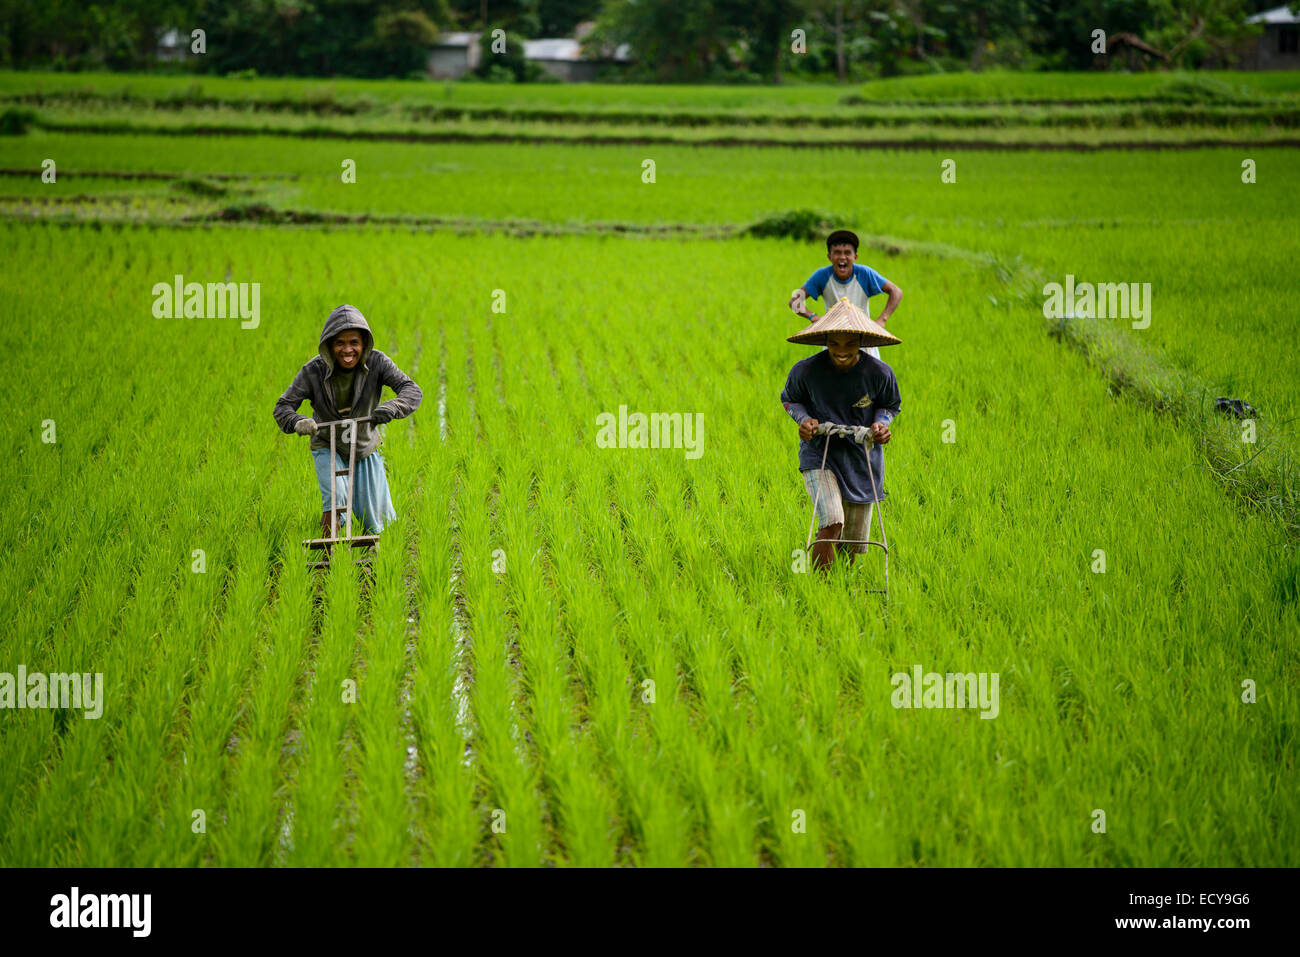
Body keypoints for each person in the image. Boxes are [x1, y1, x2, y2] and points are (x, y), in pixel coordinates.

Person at [273, 304, 422, 538]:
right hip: (327, 442)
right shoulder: (313, 371)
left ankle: (376, 558)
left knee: (372, 516)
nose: (347, 350)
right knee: (334, 496)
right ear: (330, 345)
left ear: (363, 344)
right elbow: (283, 407)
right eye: (340, 343)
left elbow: (411, 390)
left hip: (363, 444)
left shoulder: (378, 363)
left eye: (354, 342)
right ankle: (329, 550)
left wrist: (392, 407)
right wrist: (298, 422)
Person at [780, 300, 901, 572]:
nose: (842, 351)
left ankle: (842, 587)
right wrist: (804, 420)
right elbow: (790, 400)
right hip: (819, 452)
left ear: (861, 340)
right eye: (834, 344)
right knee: (833, 521)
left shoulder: (880, 373)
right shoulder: (806, 370)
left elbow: (890, 405)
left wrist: (881, 424)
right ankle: (820, 587)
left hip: (861, 457)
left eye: (849, 344)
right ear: (825, 341)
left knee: (852, 543)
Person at [788, 228, 903, 361]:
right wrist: (813, 317)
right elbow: (794, 301)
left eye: (847, 253)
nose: (842, 257)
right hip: (833, 341)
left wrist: (882, 320)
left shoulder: (864, 274)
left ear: (855, 257)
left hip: (862, 340)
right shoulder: (822, 276)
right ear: (829, 257)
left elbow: (896, 291)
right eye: (837, 253)